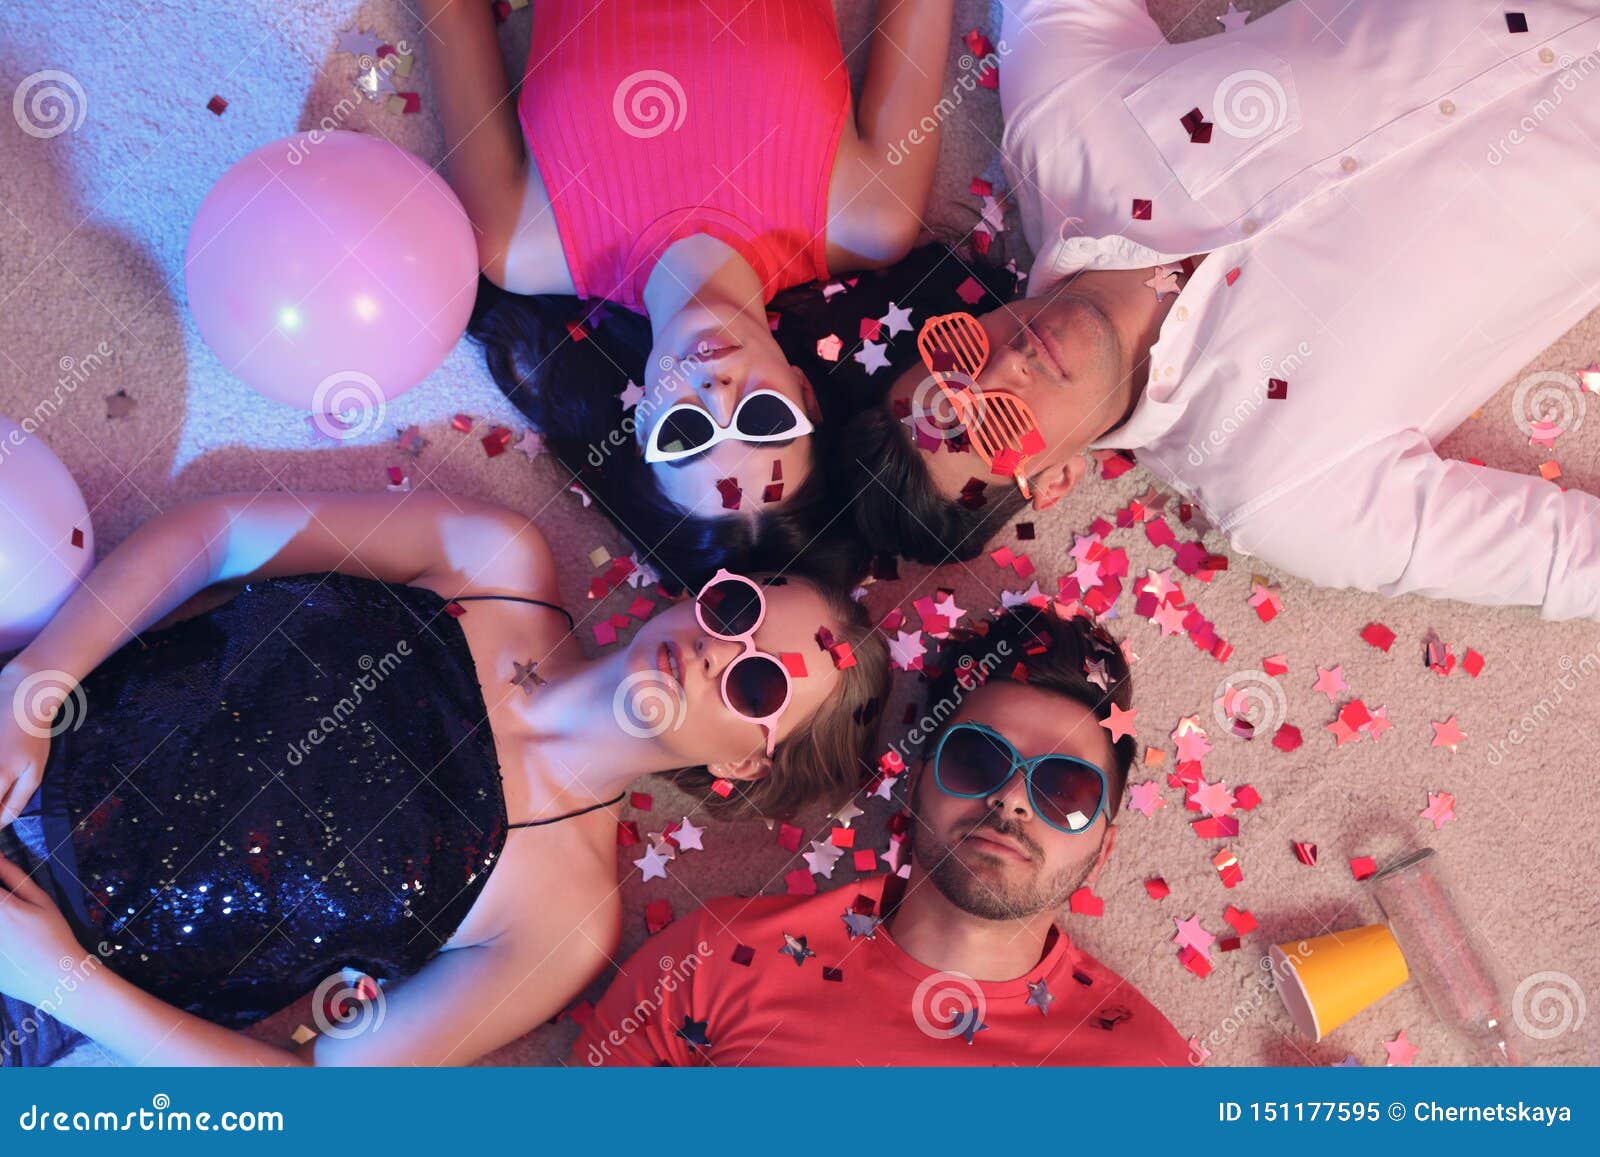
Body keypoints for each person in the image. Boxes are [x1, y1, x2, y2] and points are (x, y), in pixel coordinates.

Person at [0, 490, 888, 1067]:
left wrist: (62, 982)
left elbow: (320, 1097)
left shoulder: (564, 919)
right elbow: (222, 534)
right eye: (739, 611)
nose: (716, 648)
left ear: (741, 763)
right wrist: (33, 687)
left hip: (38, 969)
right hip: (35, 729)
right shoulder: (496, 560)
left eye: (757, 681)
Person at [842, 0, 1600, 620]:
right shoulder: (1287, 489)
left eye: (954, 360)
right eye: (997, 422)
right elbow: (1568, 561)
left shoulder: (1063, 124)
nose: (1005, 365)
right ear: (1055, 481)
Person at [422, 0, 958, 589]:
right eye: (763, 418)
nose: (717, 392)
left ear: (642, 424)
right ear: (806, 394)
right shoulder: (871, 219)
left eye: (686, 434)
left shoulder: (519, 244)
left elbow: (449, 13)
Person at [573, 607, 1191, 1066]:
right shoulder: (716, 959)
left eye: (1065, 791)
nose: (1010, 799)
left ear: (1104, 850)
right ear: (915, 784)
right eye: (976, 759)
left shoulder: (1147, 1067)